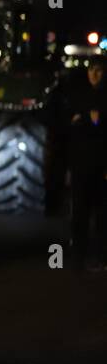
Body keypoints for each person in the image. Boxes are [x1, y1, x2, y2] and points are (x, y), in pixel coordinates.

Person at [65, 56, 107, 271]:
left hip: (101, 167)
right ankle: (78, 257)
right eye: (91, 70)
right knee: (79, 212)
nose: (94, 74)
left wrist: (89, 120)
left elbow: (96, 124)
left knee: (102, 214)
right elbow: (76, 125)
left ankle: (100, 257)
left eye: (99, 70)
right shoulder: (80, 96)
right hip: (82, 166)